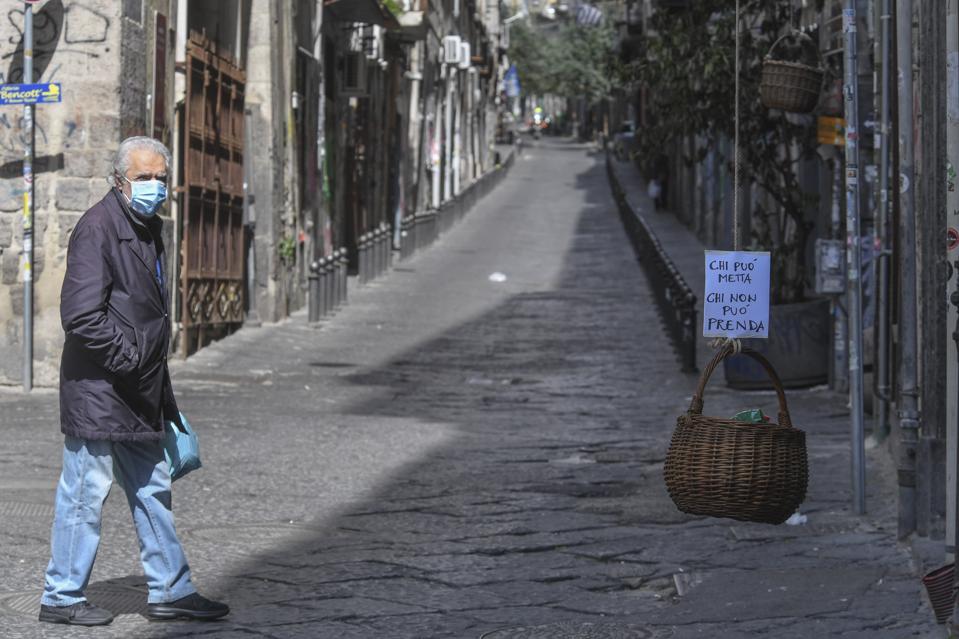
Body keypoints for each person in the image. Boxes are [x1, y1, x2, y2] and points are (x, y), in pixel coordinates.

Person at [38, 136, 228, 626]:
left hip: (139, 389)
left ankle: (172, 589)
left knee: (153, 489)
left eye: (161, 177)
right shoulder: (97, 229)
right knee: (84, 493)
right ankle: (61, 595)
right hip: (100, 390)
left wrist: (153, 378)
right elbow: (81, 317)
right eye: (144, 178)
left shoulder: (147, 227)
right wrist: (131, 357)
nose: (155, 186)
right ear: (119, 181)